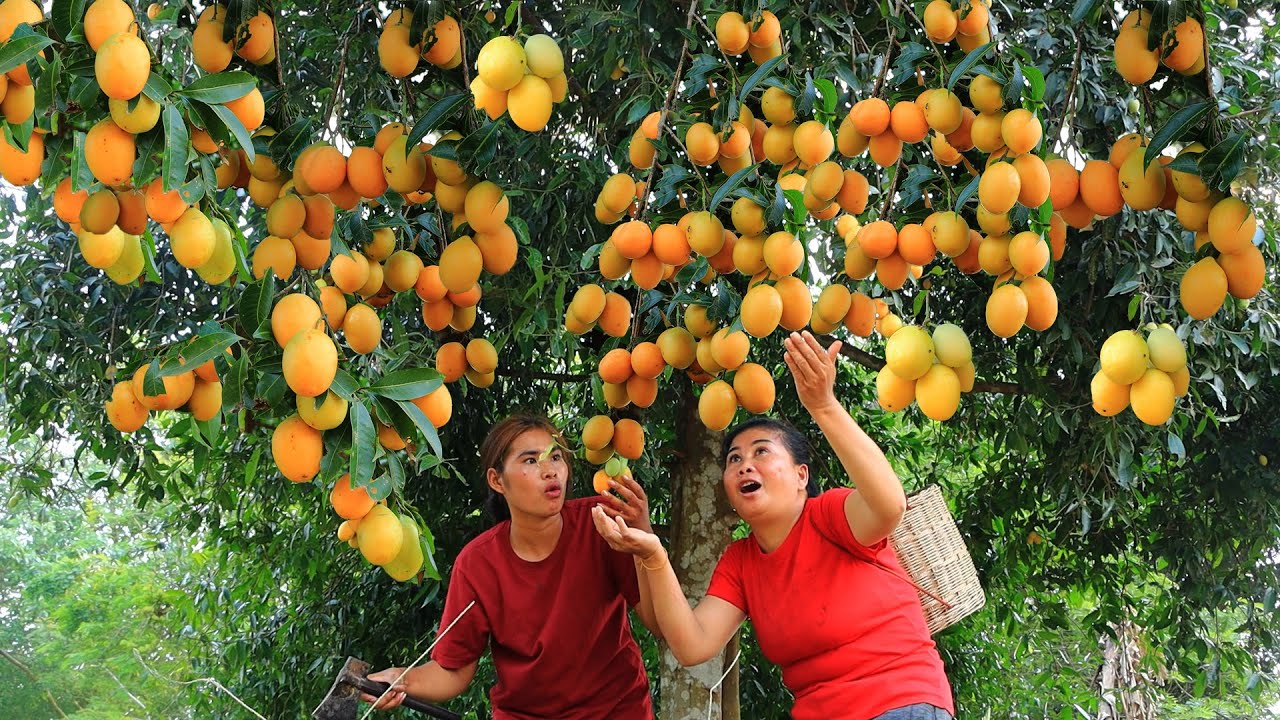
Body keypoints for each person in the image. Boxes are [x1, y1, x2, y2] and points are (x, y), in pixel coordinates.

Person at [593, 331, 955, 720]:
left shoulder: (829, 514)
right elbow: (692, 645)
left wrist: (823, 405)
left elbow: (888, 505)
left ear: (801, 475)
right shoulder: (741, 562)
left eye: (761, 451)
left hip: (900, 703)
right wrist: (653, 554)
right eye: (734, 459)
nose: (744, 464)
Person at [365, 414, 660, 719]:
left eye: (555, 457)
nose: (549, 471)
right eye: (531, 461)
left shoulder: (602, 526)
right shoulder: (478, 564)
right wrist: (402, 679)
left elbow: (660, 623)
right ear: (497, 480)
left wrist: (645, 538)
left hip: (618, 711)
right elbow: (452, 671)